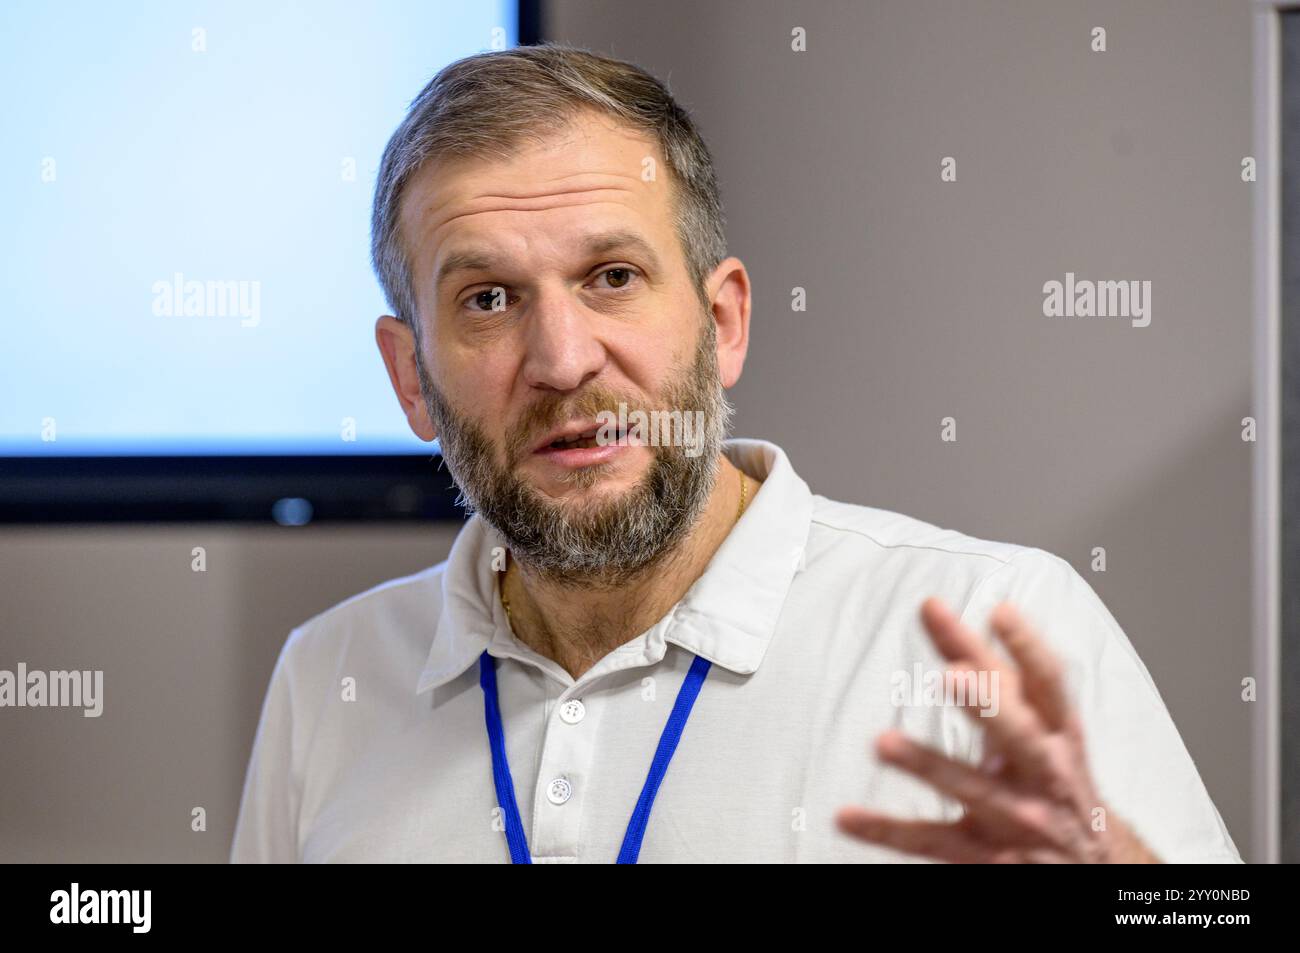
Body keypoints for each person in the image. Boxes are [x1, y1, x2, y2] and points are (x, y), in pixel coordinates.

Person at [230, 43, 1241, 863]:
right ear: (411, 377)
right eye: (486, 300)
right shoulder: (331, 676)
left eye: (612, 275)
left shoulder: (987, 629)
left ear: (724, 322)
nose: (562, 358)